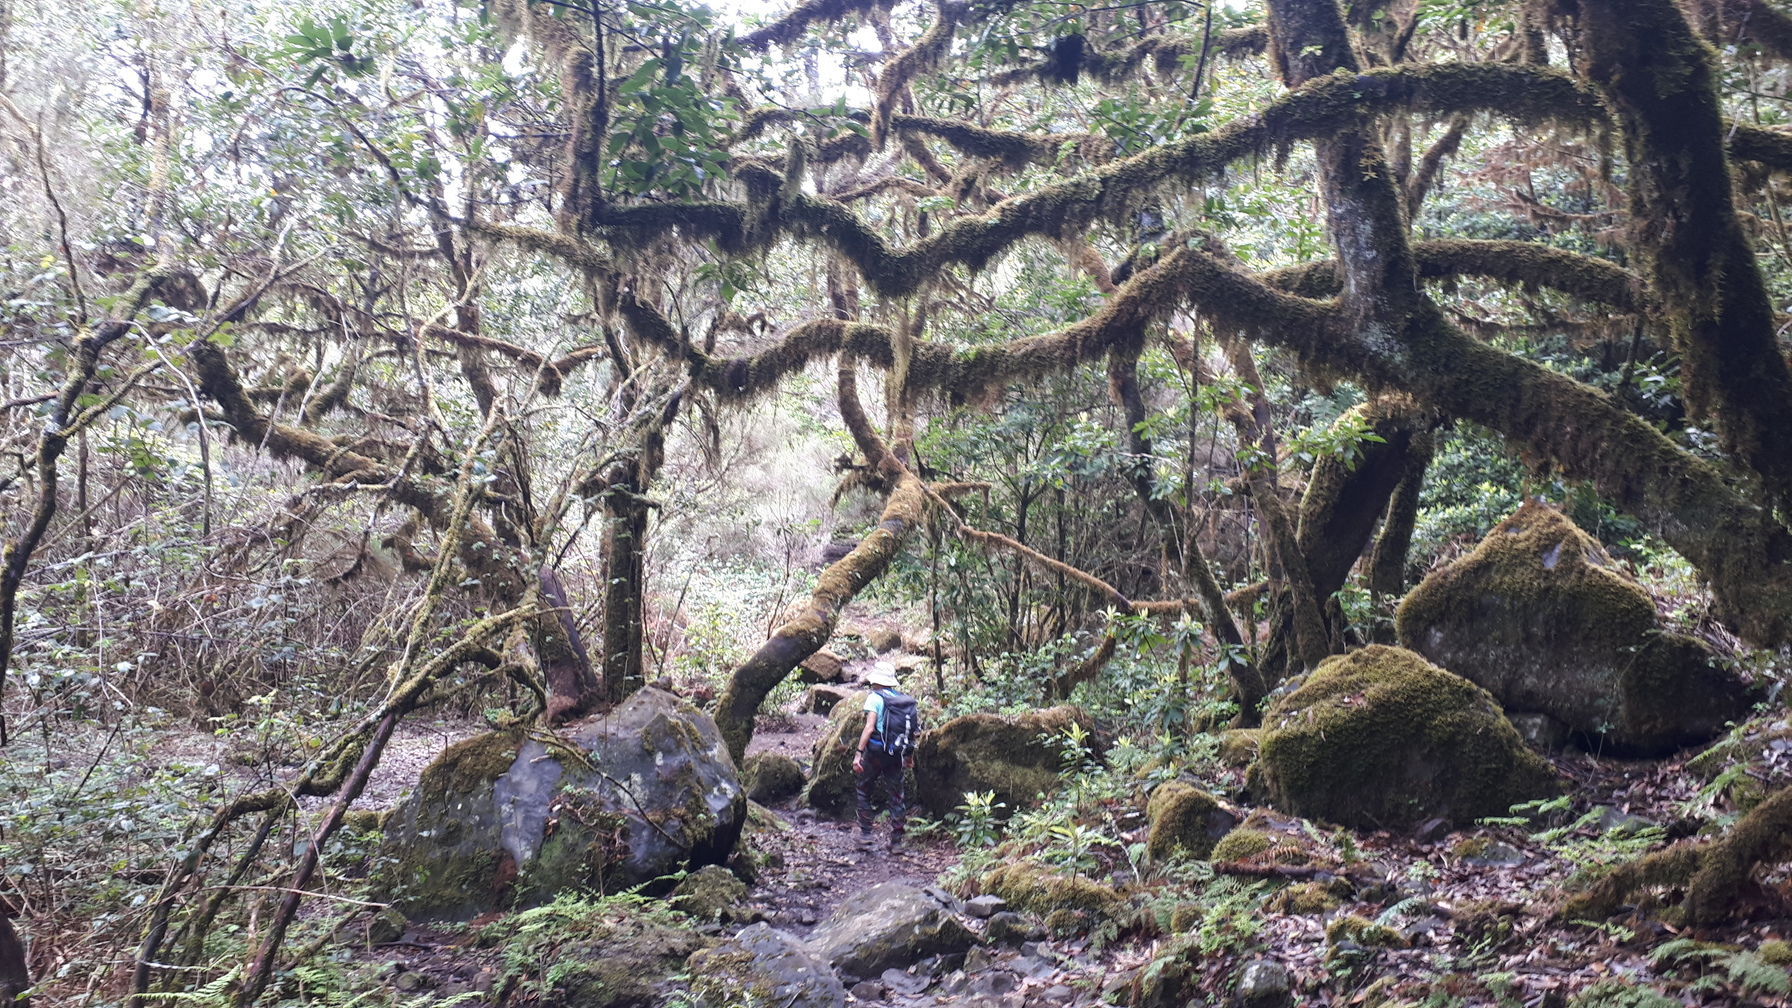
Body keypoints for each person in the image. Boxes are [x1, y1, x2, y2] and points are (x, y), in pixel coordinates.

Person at [852, 663, 917, 850]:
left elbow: (869, 727)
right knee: (896, 795)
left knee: (864, 788)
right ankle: (897, 841)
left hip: (875, 752)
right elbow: (912, 732)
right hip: (896, 753)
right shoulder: (903, 701)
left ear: (876, 681)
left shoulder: (874, 698)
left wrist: (858, 753)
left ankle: (866, 834)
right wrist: (909, 757)